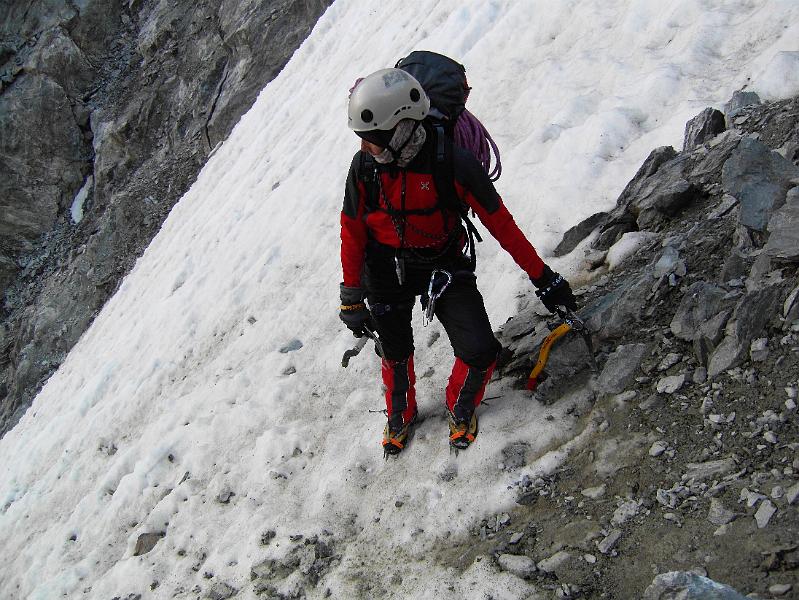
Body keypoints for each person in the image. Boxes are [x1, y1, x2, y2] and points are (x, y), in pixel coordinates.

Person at [339, 68, 577, 456]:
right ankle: (400, 413)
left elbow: (501, 224)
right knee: (395, 350)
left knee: (481, 350)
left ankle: (460, 406)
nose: (365, 147)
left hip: (442, 264)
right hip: (383, 270)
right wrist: (351, 294)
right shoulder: (364, 168)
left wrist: (544, 279)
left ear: (400, 128)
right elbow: (352, 229)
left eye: (373, 139)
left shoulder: (452, 161)